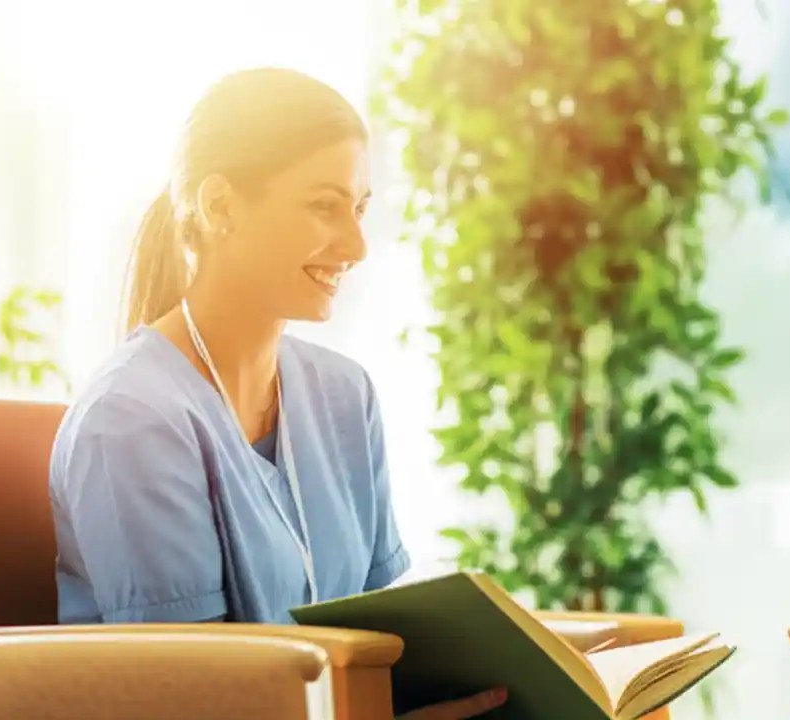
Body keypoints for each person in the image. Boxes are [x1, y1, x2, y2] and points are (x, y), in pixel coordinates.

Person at [48, 67, 506, 719]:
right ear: (221, 207)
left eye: (360, 209)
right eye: (324, 206)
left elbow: (382, 649)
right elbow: (190, 702)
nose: (356, 246)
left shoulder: (346, 397)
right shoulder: (131, 422)